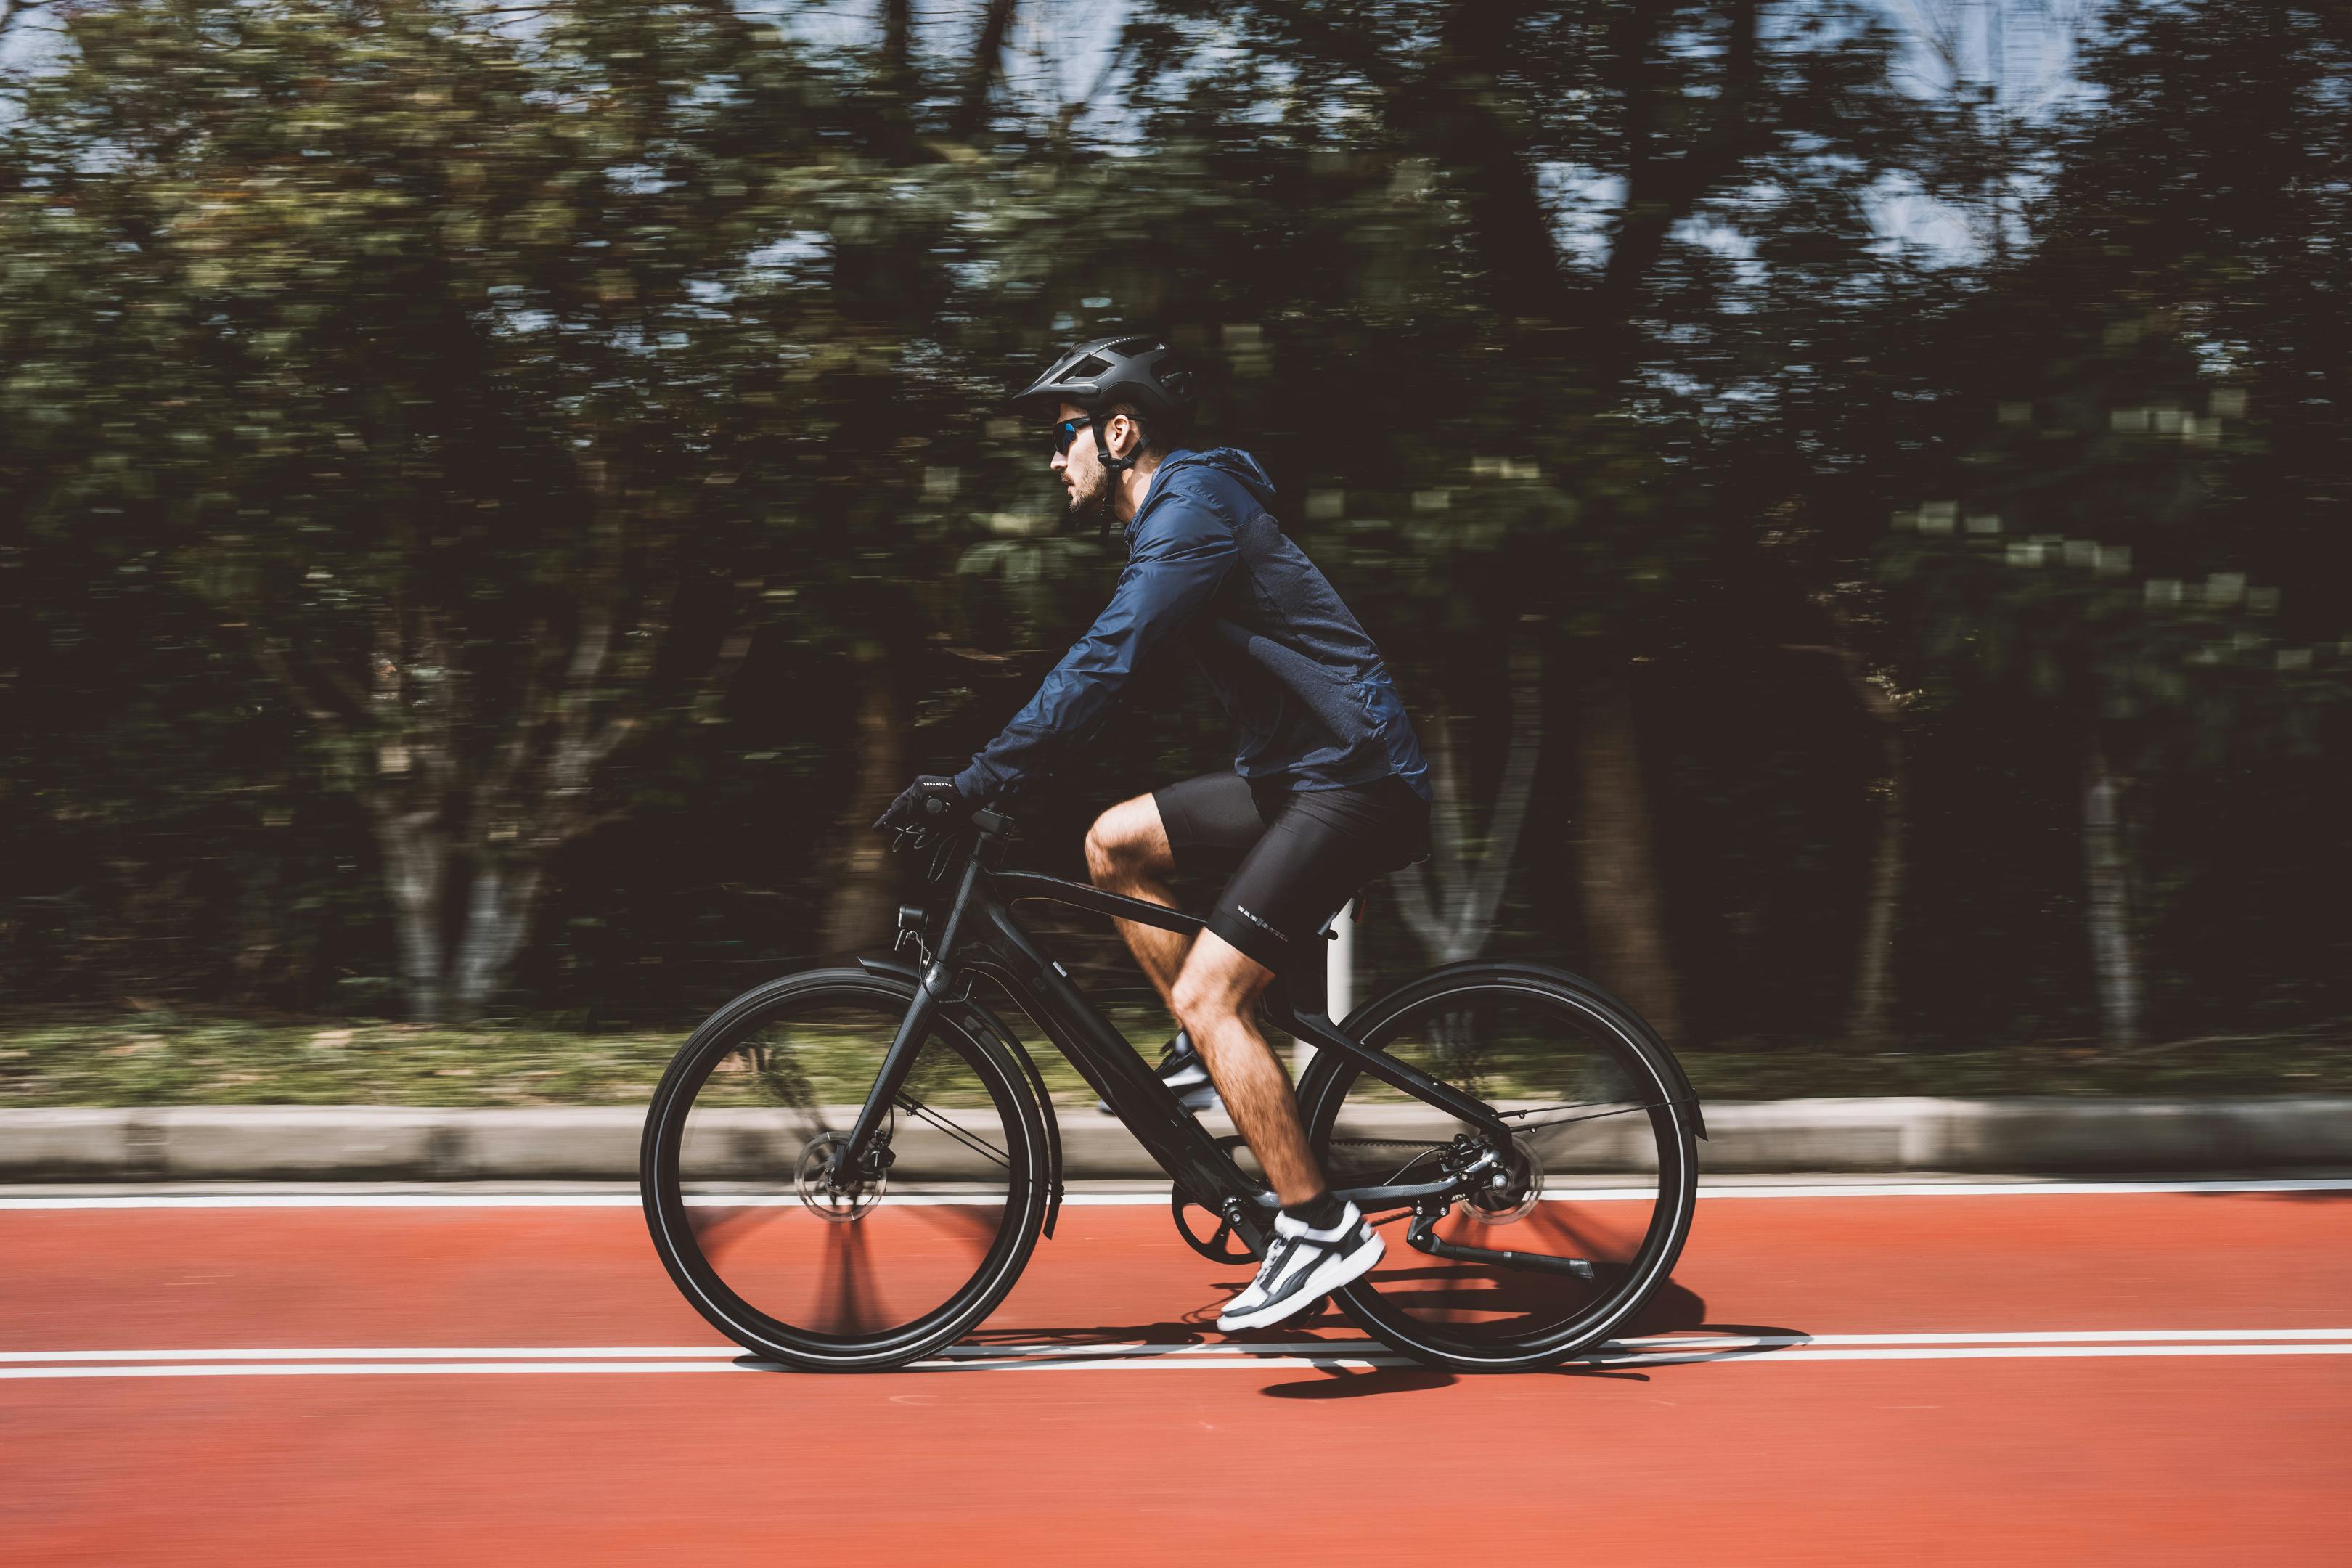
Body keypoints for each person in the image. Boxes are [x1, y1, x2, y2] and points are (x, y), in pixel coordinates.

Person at [876, 333, 1433, 1332]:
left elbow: (1112, 657)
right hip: (1300, 775)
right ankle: (1209, 1055)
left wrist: (978, 780)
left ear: (1120, 430)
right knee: (1114, 843)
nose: (1056, 459)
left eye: (1064, 435)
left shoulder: (1191, 510)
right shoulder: (1177, 518)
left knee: (1214, 994)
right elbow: (1112, 667)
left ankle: (1318, 1228)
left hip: (1353, 780)